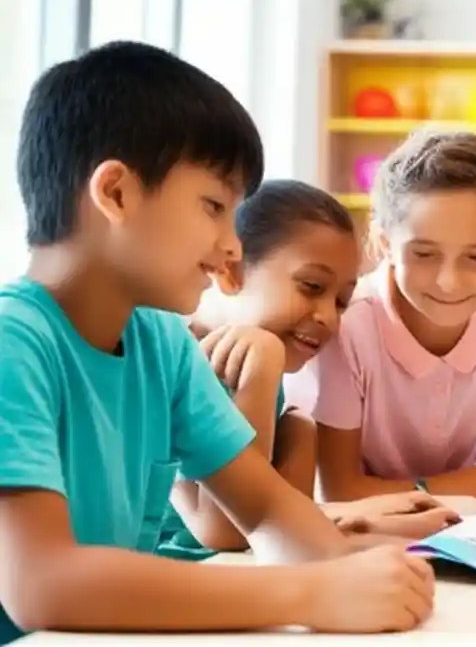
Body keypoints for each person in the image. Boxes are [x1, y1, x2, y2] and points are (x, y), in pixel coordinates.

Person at [0, 41, 431, 644]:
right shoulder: (13, 343)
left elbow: (268, 514)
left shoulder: (160, 345)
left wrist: (362, 573)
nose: (233, 247)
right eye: (213, 206)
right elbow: (42, 585)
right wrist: (312, 592)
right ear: (116, 193)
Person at [157, 180, 458, 560]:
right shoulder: (169, 360)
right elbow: (226, 531)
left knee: (299, 426)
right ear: (231, 269)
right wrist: (259, 377)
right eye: (311, 286)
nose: (328, 317)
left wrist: (359, 518)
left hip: (248, 567)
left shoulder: (268, 369)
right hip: (171, 580)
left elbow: (276, 527)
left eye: (342, 301)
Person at [297, 130, 476, 508]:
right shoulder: (348, 324)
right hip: (363, 532)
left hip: (462, 531)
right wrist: (462, 490)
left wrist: (402, 494)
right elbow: (341, 490)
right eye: (424, 254)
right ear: (383, 244)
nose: (448, 282)